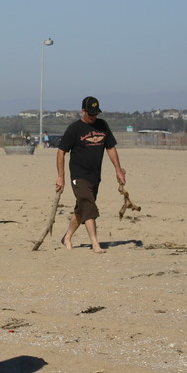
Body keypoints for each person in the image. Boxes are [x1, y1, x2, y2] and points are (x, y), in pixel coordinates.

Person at [55, 96, 126, 254]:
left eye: (96, 114)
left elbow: (111, 148)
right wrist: (61, 176)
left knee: (82, 210)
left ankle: (66, 237)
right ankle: (95, 244)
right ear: (83, 111)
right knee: (88, 205)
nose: (94, 117)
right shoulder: (74, 129)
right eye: (91, 114)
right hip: (78, 175)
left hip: (95, 176)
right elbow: (61, 152)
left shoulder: (102, 125)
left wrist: (118, 169)